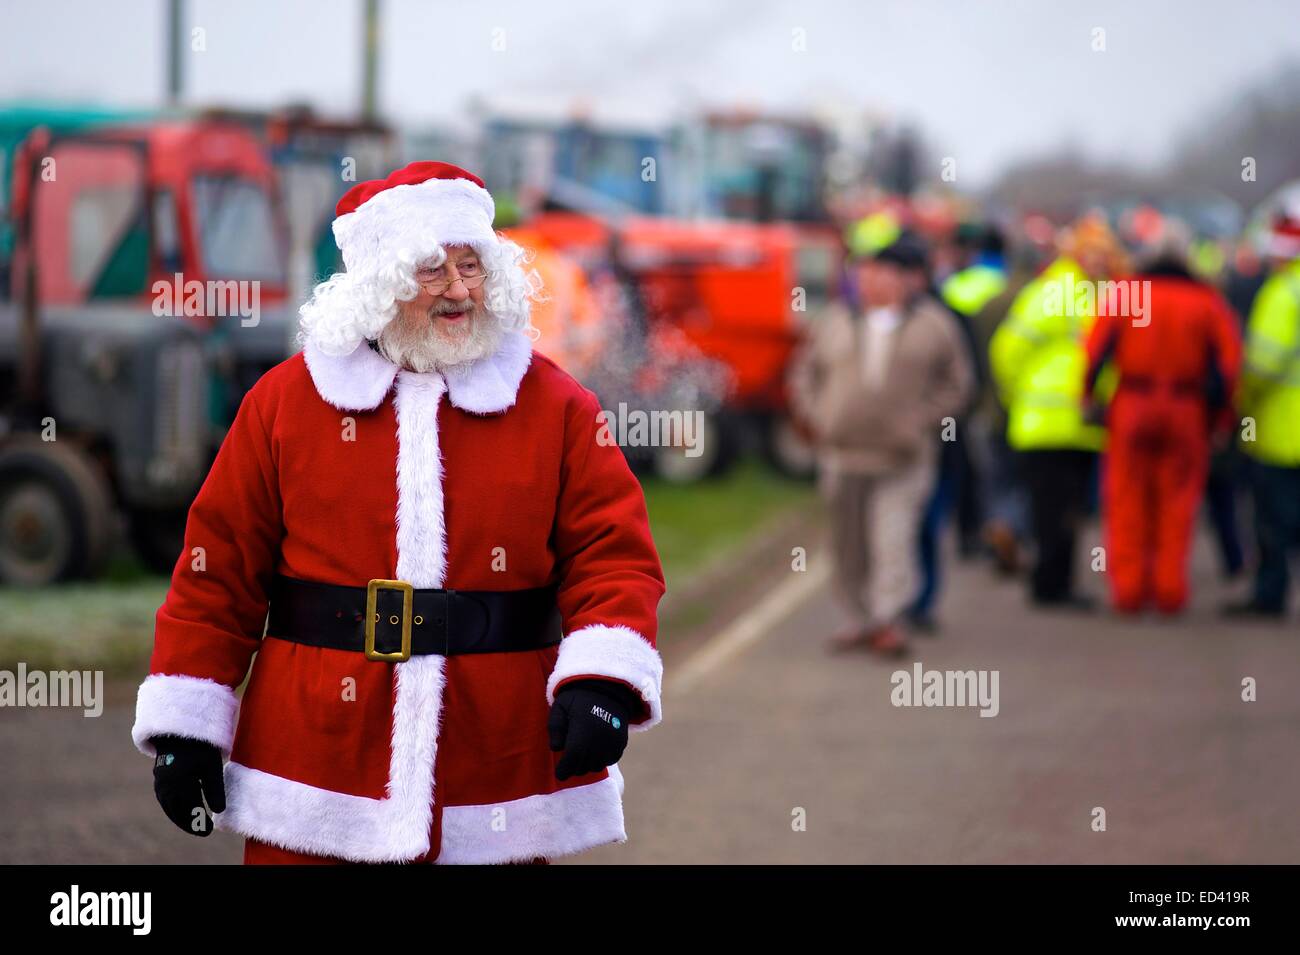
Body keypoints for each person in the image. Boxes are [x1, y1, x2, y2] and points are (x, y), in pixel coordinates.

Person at [130, 161, 667, 864]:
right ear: (380, 282)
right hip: (317, 769)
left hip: (493, 768)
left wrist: (602, 677)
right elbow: (217, 569)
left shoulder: (557, 408)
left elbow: (613, 553)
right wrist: (187, 722)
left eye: (470, 266)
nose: (457, 289)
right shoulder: (284, 404)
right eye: (431, 269)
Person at [789, 231, 973, 656]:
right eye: (866, 273)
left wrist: (922, 421)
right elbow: (804, 374)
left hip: (902, 457)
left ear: (903, 279)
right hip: (842, 453)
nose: (874, 282)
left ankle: (889, 619)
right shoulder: (835, 320)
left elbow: (958, 384)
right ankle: (858, 617)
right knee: (848, 541)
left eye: (884, 274)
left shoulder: (933, 325)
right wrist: (818, 416)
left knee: (893, 536)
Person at [1083, 224, 1241, 613]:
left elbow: (1094, 354)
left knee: (1125, 497)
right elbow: (1229, 365)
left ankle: (1129, 592)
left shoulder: (1126, 294)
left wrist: (1088, 400)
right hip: (1186, 409)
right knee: (1178, 501)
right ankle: (1170, 591)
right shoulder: (1207, 301)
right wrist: (1220, 418)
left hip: (1132, 405)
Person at [990, 215, 1127, 608]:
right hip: (1052, 422)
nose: (1100, 261)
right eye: (1092, 253)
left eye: (1105, 254)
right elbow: (1008, 350)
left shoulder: (1091, 292)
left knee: (1062, 511)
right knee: (1055, 511)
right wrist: (1020, 397)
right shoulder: (1060, 290)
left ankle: (1054, 583)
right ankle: (1051, 586)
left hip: (1076, 424)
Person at [1224, 199, 1300, 618]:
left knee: (1273, 520)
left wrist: (1241, 401)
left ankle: (1270, 596)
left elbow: (1263, 364)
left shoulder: (1282, 293)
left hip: (1281, 430)